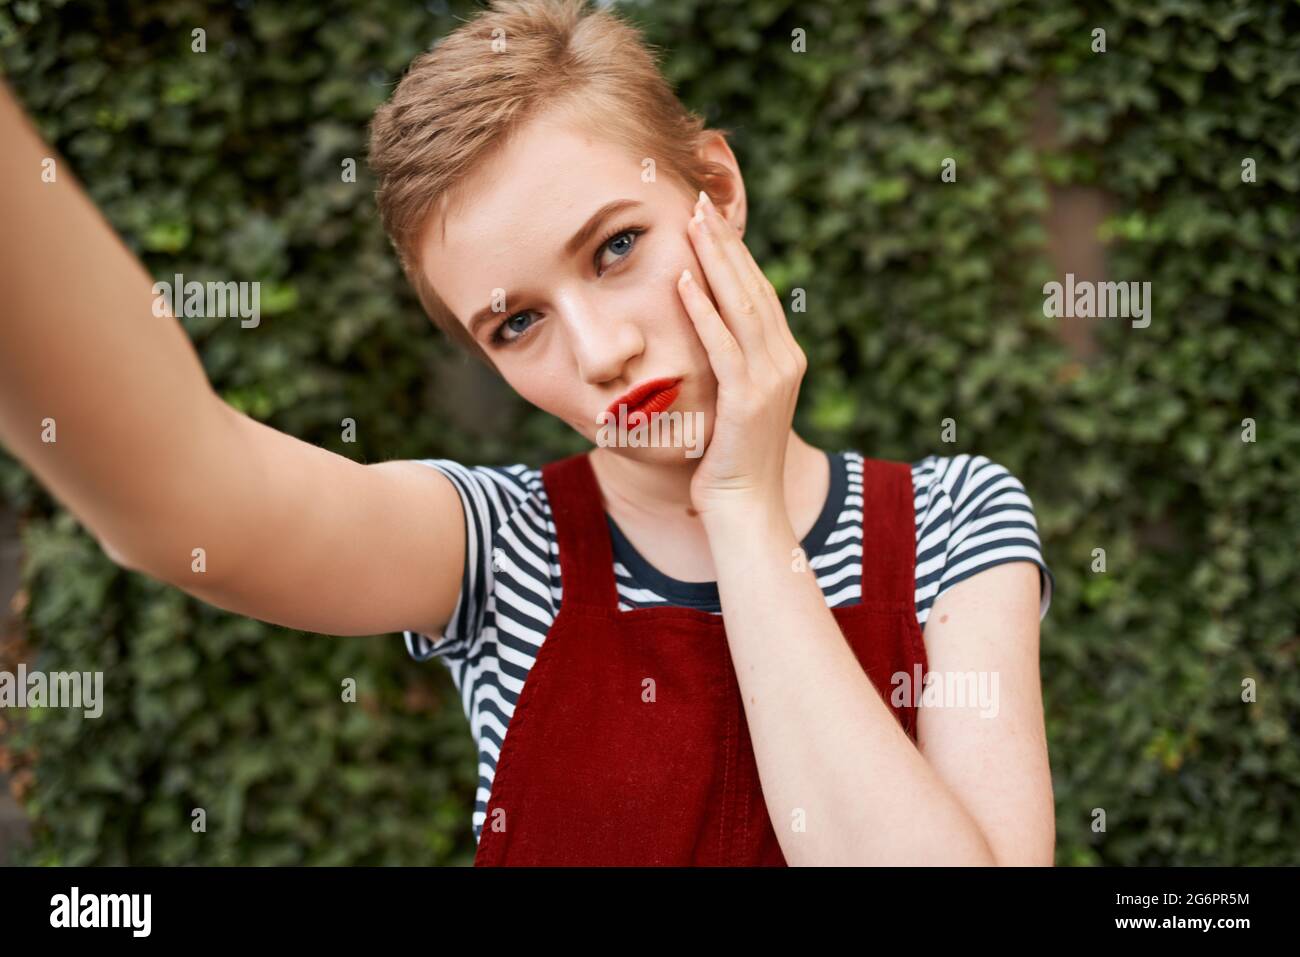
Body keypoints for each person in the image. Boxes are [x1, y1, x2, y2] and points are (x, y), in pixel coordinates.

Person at [0, 0, 1056, 865]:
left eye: (614, 248)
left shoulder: (949, 526)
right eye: (516, 322)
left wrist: (737, 508)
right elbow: (190, 502)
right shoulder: (496, 551)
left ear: (718, 190)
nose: (598, 353)